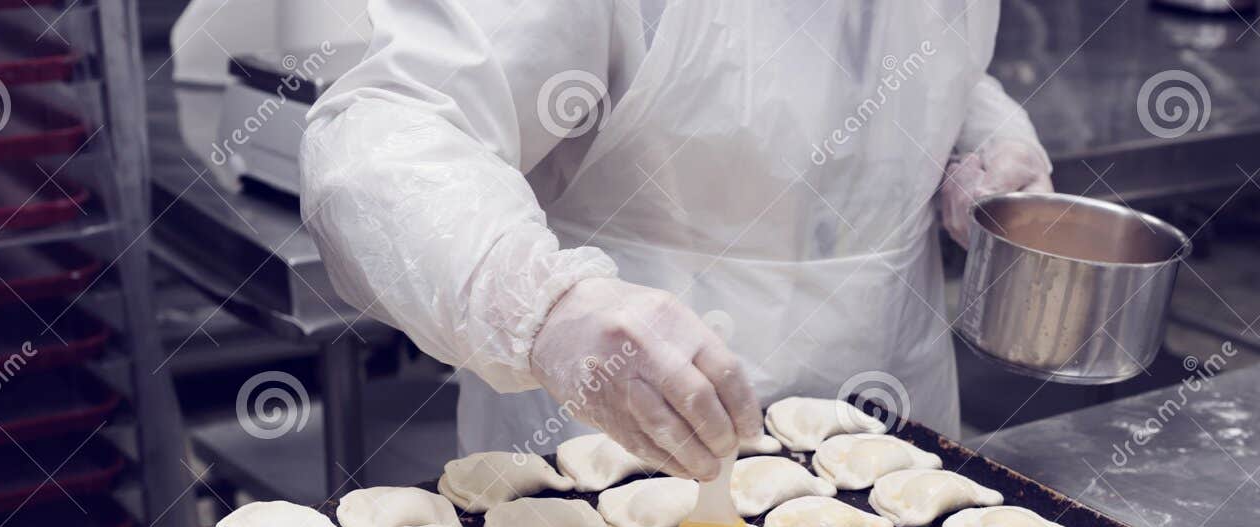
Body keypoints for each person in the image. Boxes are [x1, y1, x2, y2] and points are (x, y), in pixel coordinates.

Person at [302, 0, 1050, 480]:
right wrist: (544, 307)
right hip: (615, 453)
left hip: (891, 432)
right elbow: (382, 135)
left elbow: (895, 54)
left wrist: (983, 139)